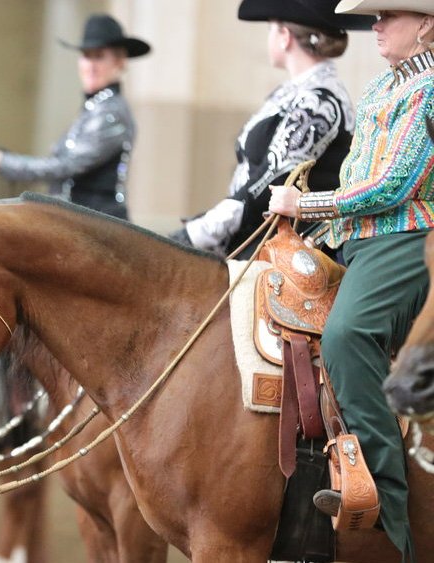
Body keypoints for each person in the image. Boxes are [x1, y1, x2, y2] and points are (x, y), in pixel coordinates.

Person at [269, 1, 433, 559]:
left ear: (428, 25)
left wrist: (304, 202)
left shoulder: (430, 86)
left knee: (346, 335)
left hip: (408, 240)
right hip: (356, 239)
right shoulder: (382, 88)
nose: (376, 25)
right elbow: (359, 179)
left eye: (389, 15)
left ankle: (386, 503)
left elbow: (392, 185)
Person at [170, 0, 373, 258]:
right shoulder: (291, 92)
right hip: (259, 235)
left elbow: (268, 183)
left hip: (290, 249)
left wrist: (195, 234)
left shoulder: (319, 102)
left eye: (270, 29)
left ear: (285, 37)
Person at [0, 14, 150, 219]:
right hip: (80, 220)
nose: (90, 65)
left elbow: (66, 166)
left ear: (118, 62)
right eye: (85, 55)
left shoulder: (110, 112)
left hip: (100, 225)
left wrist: (4, 162)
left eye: (99, 56)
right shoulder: (95, 108)